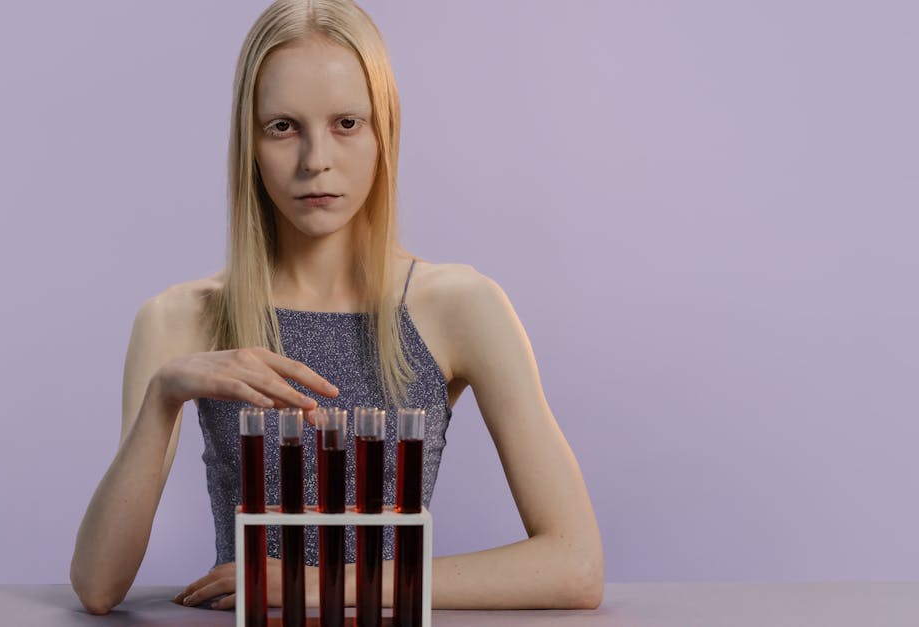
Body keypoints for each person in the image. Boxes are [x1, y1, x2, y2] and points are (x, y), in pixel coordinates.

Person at [70, 0, 603, 616]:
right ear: (249, 141)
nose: (314, 160)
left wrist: (317, 586)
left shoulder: (460, 306)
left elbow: (576, 564)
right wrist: (164, 396)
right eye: (283, 127)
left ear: (385, 132)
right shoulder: (178, 318)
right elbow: (97, 585)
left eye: (347, 123)